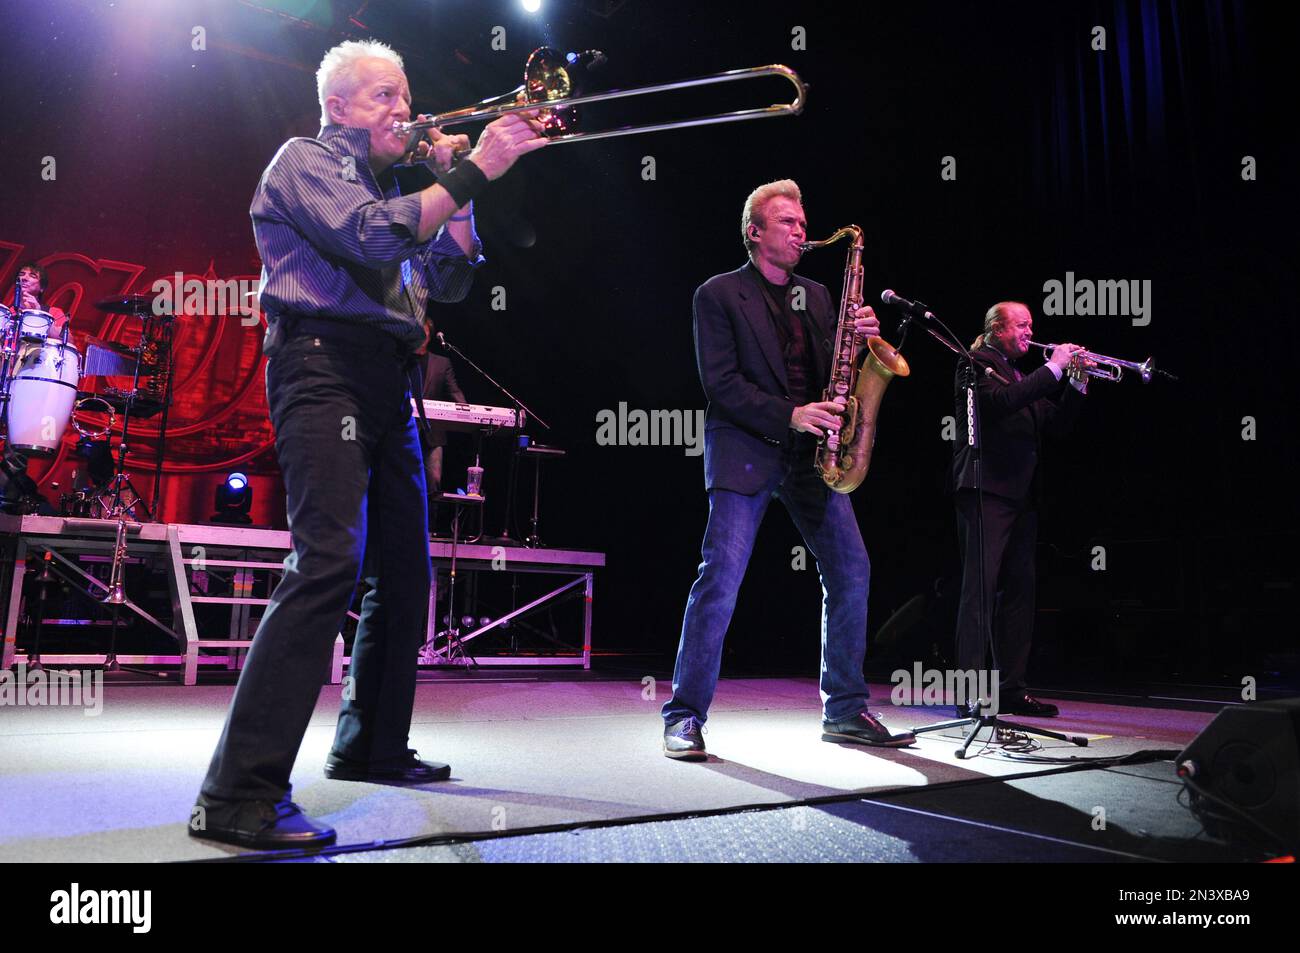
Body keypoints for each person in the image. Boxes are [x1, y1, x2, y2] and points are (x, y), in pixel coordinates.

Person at [191, 39, 546, 850]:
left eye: (407, 94)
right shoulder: (304, 160)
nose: (406, 110)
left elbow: (450, 277)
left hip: (390, 380)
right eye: (385, 96)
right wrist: (471, 170)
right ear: (340, 106)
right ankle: (236, 791)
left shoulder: (404, 188)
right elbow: (373, 239)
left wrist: (460, 192)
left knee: (406, 569)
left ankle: (372, 744)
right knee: (326, 562)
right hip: (321, 366)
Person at [661, 179, 916, 761]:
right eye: (787, 222)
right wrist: (791, 413)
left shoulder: (822, 296)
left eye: (803, 222)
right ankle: (683, 716)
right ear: (754, 232)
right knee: (720, 579)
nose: (802, 230)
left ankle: (846, 710)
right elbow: (721, 387)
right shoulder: (718, 294)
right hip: (748, 448)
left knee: (852, 570)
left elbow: (836, 375)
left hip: (813, 454)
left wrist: (860, 343)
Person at [950, 302, 1087, 719]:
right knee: (980, 594)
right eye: (1022, 324)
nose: (1031, 331)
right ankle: (969, 692)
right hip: (985, 491)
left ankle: (1011, 688)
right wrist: (1056, 370)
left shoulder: (1020, 375)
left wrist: (1077, 383)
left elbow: (1059, 425)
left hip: (1021, 498)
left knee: (1020, 597)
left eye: (1031, 325)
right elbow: (1000, 404)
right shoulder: (975, 363)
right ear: (996, 328)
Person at [419, 350, 466, 523]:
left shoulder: (441, 362)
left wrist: (467, 411)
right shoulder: (402, 357)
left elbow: (454, 390)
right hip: (404, 430)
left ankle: (429, 530)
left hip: (433, 434)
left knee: (434, 481)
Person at [13, 262, 70, 338]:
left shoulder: (54, 312)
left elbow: (68, 340)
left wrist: (40, 315)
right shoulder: (6, 312)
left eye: (33, 276)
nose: (24, 278)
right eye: (21, 274)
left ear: (42, 288)